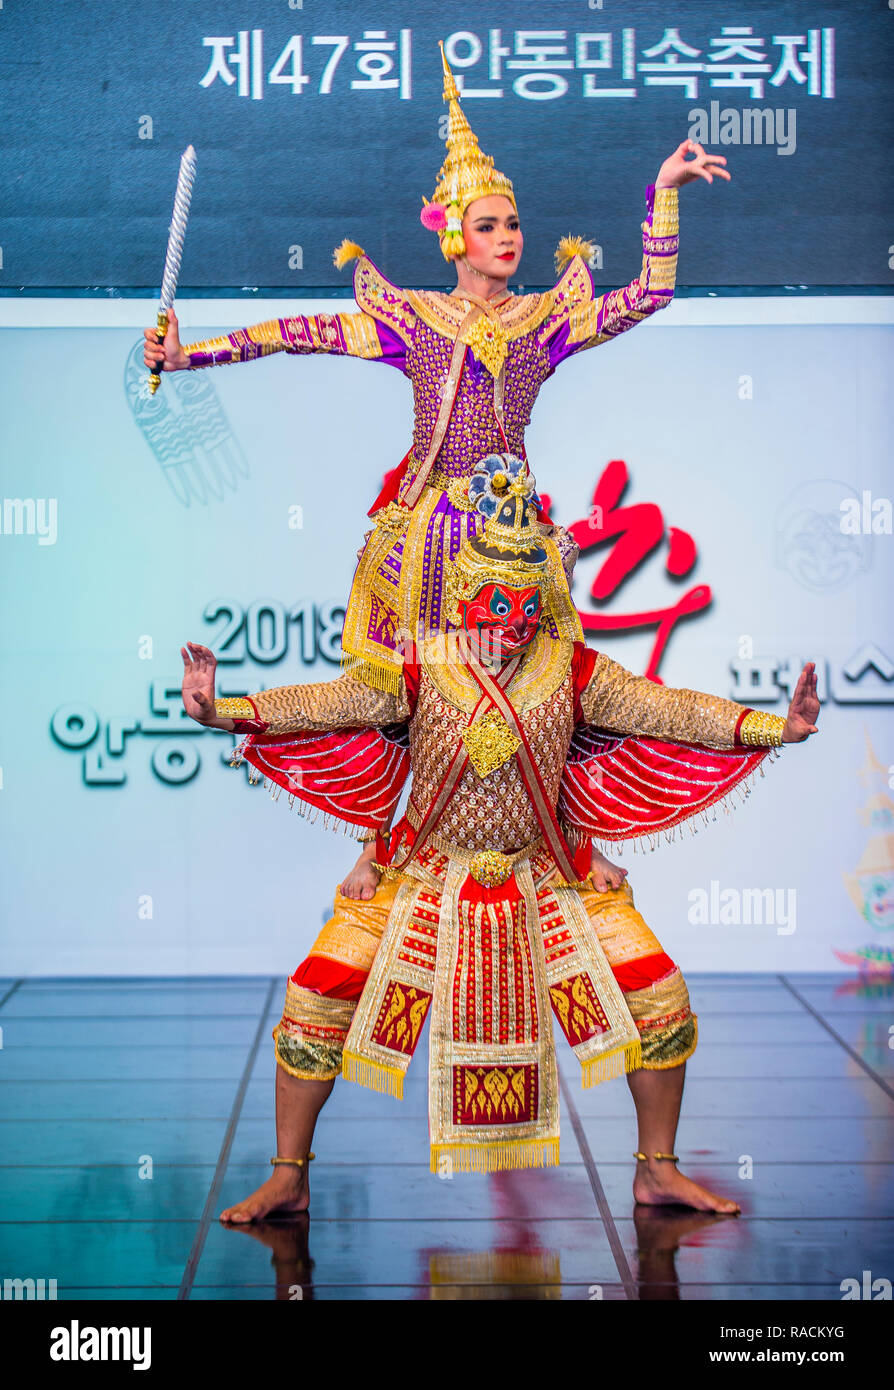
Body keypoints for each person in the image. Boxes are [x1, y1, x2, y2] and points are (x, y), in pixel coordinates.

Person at [144, 43, 731, 905]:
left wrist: (663, 196)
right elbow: (299, 333)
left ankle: (577, 840)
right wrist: (191, 357)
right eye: (490, 225)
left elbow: (648, 294)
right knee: (400, 690)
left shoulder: (546, 319)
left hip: (515, 533)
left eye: (514, 224)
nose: (508, 238)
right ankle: (378, 846)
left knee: (553, 677)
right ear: (454, 235)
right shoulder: (413, 319)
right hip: (431, 535)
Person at [180, 465, 820, 1222]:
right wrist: (224, 712)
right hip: (422, 871)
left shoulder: (574, 671)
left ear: (542, 601)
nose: (510, 625)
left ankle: (657, 1170)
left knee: (660, 996)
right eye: (494, 607)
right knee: (315, 994)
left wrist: (776, 728)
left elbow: (666, 709)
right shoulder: (419, 663)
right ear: (463, 599)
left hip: (546, 876)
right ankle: (289, 1174)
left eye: (524, 608)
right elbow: (334, 699)